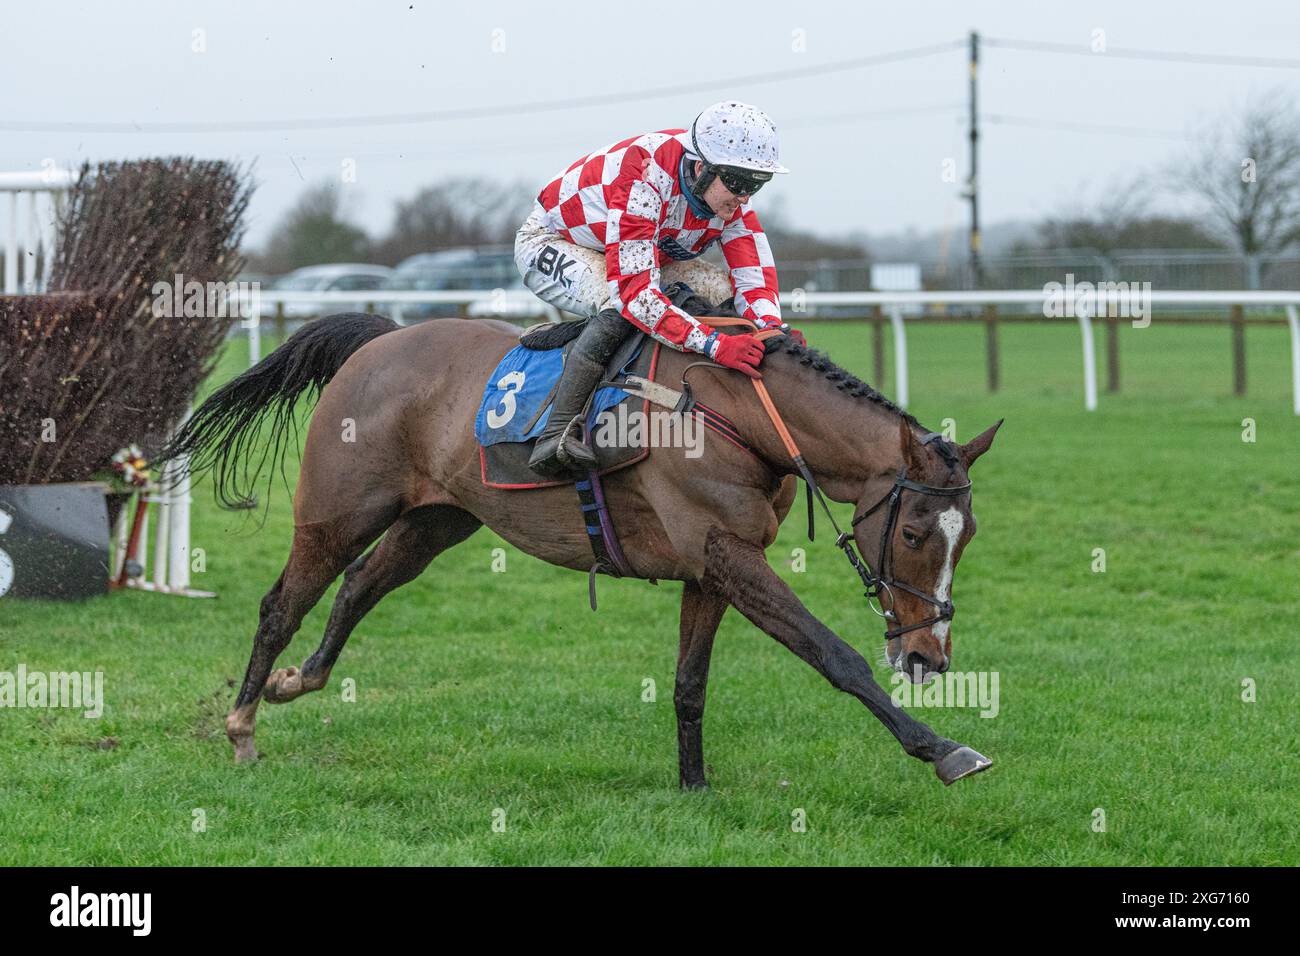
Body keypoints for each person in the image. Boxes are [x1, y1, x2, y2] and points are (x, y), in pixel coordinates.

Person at [514, 100, 803, 477]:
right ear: (702, 168)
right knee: (620, 308)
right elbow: (634, 295)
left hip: (637, 251)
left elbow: (754, 276)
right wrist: (718, 345)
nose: (745, 197)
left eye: (757, 185)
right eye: (738, 183)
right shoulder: (646, 174)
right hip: (552, 242)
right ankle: (555, 434)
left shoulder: (729, 199)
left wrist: (770, 332)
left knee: (720, 298)